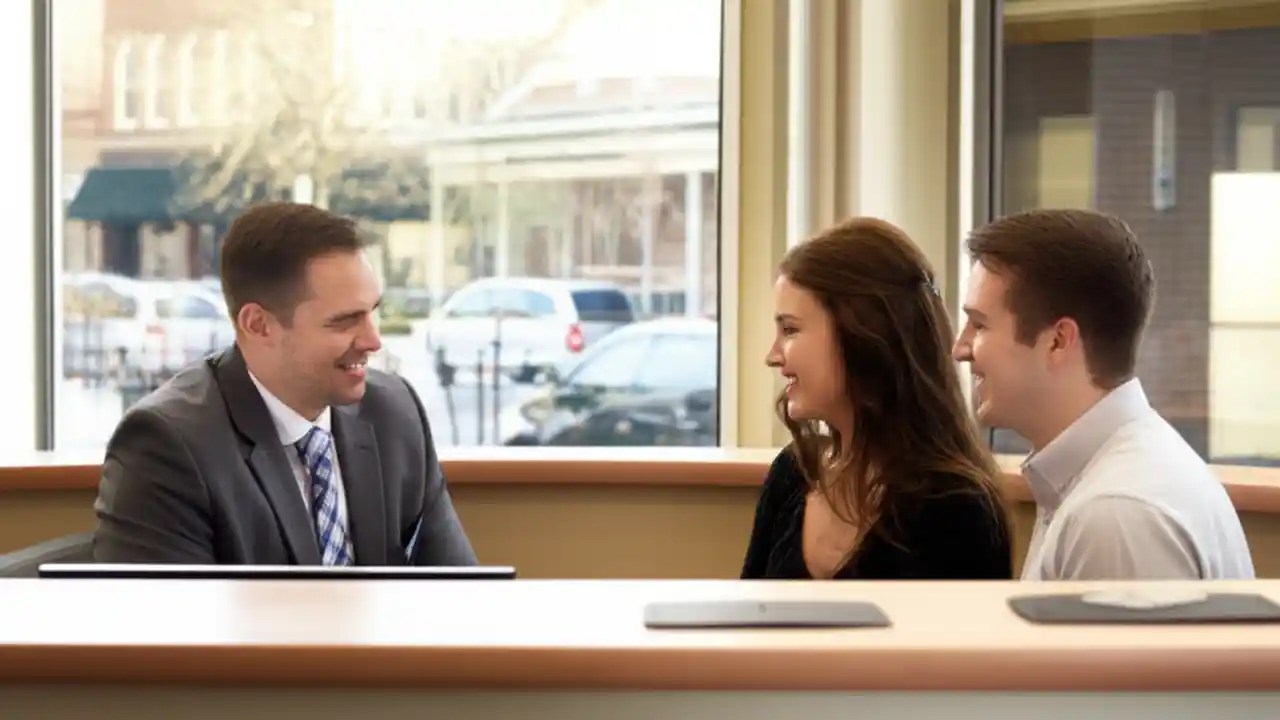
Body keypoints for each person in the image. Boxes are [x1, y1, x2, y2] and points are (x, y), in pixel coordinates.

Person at [93, 202, 477, 566]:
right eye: (344, 321)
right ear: (259, 325)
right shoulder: (167, 446)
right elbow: (164, 631)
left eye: (373, 313)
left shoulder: (394, 412)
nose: (373, 341)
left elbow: (461, 597)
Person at [953, 208, 1254, 580]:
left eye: (979, 325)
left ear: (1058, 342)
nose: (960, 348)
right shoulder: (1108, 482)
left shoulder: (1116, 516)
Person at [741, 217, 1012, 580]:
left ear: (862, 334)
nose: (773, 355)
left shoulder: (956, 508)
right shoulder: (792, 474)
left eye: (790, 330)